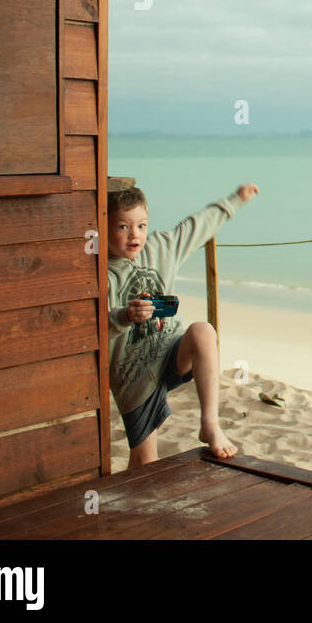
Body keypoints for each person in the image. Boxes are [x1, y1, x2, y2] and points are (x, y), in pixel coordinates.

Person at [106, 182, 259, 468]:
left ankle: (209, 424)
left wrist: (235, 200)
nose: (134, 235)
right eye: (122, 227)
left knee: (203, 331)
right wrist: (124, 316)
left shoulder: (160, 247)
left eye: (141, 225)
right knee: (144, 462)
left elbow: (196, 226)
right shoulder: (99, 272)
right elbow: (93, 324)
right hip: (135, 375)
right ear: (102, 227)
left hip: (172, 350)